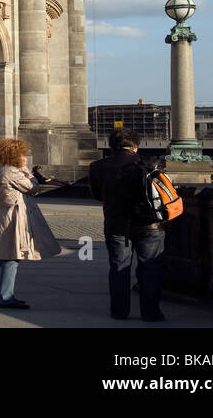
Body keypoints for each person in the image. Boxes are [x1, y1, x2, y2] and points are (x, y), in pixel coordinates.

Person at [89, 128, 166, 321]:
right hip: (150, 225)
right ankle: (151, 313)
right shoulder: (150, 164)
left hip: (117, 224)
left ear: (112, 146)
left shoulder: (98, 166)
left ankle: (119, 311)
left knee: (118, 267)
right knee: (150, 268)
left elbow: (97, 195)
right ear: (136, 146)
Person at [0, 138, 61, 309]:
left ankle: (1, 294)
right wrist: (26, 170)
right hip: (14, 216)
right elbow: (33, 187)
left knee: (3, 257)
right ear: (13, 156)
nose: (24, 157)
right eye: (21, 154)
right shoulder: (12, 172)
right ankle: (6, 296)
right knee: (12, 257)